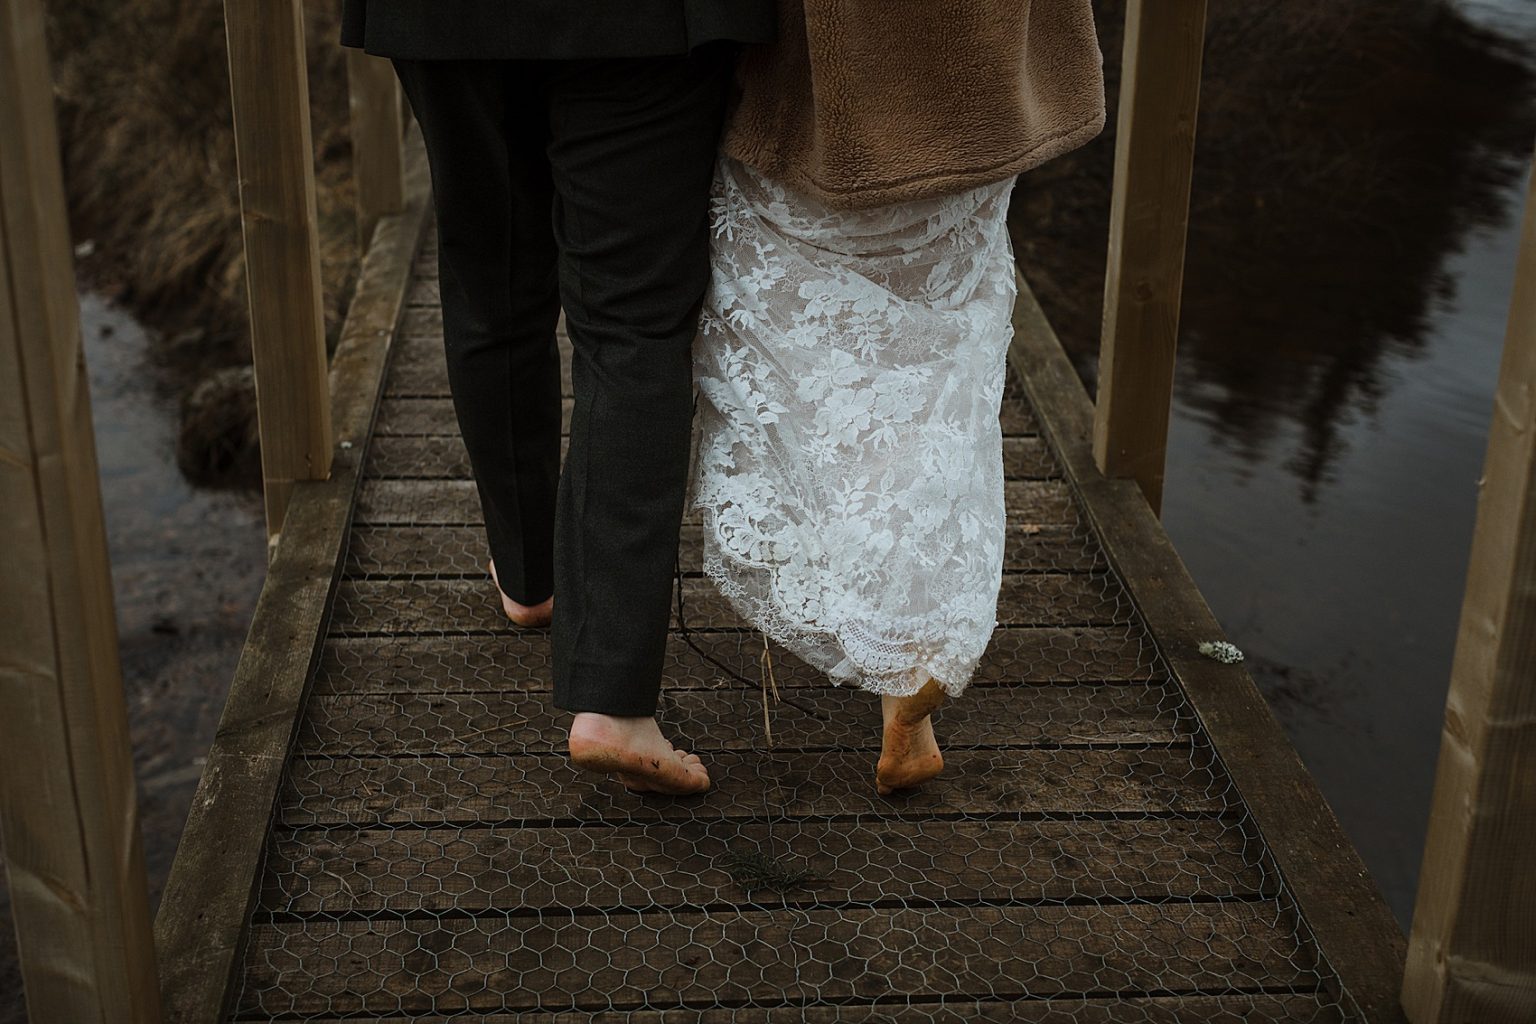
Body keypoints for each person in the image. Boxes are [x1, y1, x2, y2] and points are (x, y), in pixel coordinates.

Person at [340, 1, 775, 795]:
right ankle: (611, 701)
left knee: (490, 279)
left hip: (446, 19)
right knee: (631, 323)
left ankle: (532, 576)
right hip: (642, 22)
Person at [690, 0, 1107, 794]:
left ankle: (898, 642)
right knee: (942, 361)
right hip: (975, 91)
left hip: (822, 102)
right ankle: (914, 669)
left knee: (795, 350)